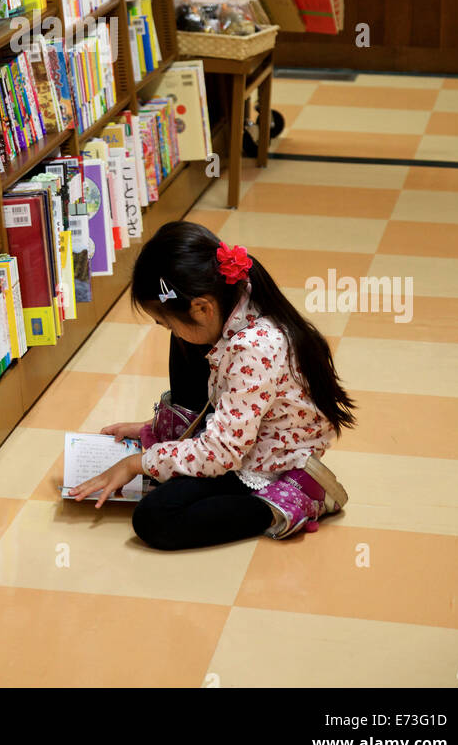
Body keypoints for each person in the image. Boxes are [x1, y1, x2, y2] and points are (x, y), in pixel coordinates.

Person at [68, 221, 355, 547]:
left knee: (156, 517)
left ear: (202, 307)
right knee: (185, 340)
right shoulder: (232, 298)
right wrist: (150, 430)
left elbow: (223, 454)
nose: (169, 330)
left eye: (165, 322)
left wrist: (138, 462)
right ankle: (181, 442)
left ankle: (293, 500)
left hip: (268, 460)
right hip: (243, 431)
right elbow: (231, 404)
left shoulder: (252, 350)